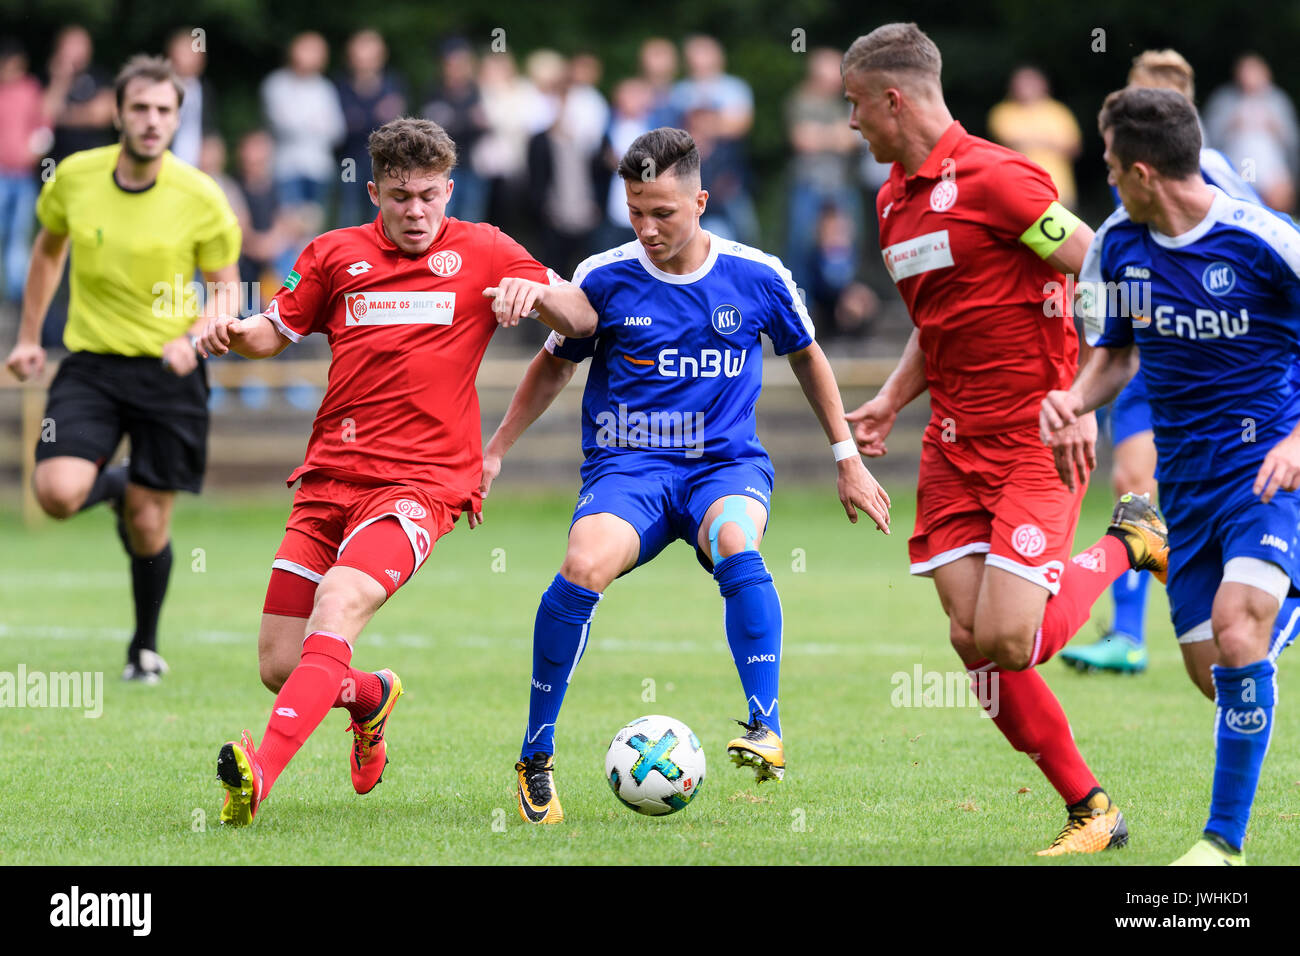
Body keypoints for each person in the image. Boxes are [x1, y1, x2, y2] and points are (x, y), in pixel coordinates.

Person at [481, 127, 892, 824]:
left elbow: (808, 357)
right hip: (629, 468)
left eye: (663, 213)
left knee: (737, 540)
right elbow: (553, 365)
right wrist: (492, 453)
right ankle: (536, 754)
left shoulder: (758, 276)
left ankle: (765, 727)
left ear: (700, 201)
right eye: (635, 210)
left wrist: (846, 459)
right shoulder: (603, 277)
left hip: (724, 467)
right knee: (581, 565)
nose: (646, 228)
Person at [198, 117, 596, 827]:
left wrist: (537, 295)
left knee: (340, 605)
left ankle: (261, 770)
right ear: (375, 191)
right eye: (401, 197)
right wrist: (233, 332)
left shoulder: (487, 249)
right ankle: (370, 697)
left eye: (429, 196)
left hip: (420, 485)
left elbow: (583, 318)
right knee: (279, 667)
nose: (417, 212)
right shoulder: (332, 253)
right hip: (327, 480)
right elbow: (272, 332)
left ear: (450, 189)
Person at [840, 23, 1167, 856]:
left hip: (1034, 437)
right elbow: (936, 321)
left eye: (854, 106)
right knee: (968, 636)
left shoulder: (999, 179)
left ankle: (1127, 542)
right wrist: (885, 400)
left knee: (1009, 639)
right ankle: (1091, 809)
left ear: (893, 98)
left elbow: (1101, 270)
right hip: (950, 446)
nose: (851, 124)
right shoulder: (890, 200)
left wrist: (1086, 393)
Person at [1042, 85, 1300, 865]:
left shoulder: (1264, 240)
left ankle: (1222, 844)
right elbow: (1115, 356)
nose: (1107, 179)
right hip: (1185, 491)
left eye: (1114, 166)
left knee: (1238, 625)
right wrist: (1074, 401)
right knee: (1214, 673)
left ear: (1146, 170)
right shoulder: (1120, 248)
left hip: (1268, 474)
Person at [4, 55, 241, 682]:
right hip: (93, 366)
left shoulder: (201, 196)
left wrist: (195, 338)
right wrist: (29, 337)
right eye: (139, 108)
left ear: (177, 119)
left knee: (148, 522)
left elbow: (227, 290)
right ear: (118, 113)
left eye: (164, 110)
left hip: (172, 372)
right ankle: (116, 483)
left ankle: (144, 646)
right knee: (56, 494)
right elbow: (47, 253)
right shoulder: (74, 178)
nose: (151, 120)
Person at [1064, 48, 1264, 676]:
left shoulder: (1214, 173)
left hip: (1208, 357)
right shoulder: (1126, 215)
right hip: (1147, 354)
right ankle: (1128, 633)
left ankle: (1256, 593)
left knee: (1208, 491)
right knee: (1131, 488)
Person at [987, 66, 1082, 209]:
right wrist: (1050, 143)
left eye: (1031, 83)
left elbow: (1074, 148)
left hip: (1059, 189)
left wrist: (1030, 141)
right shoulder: (1003, 112)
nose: (1026, 88)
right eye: (1022, 83)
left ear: (1043, 85)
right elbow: (1009, 143)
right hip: (1017, 189)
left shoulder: (1058, 111)